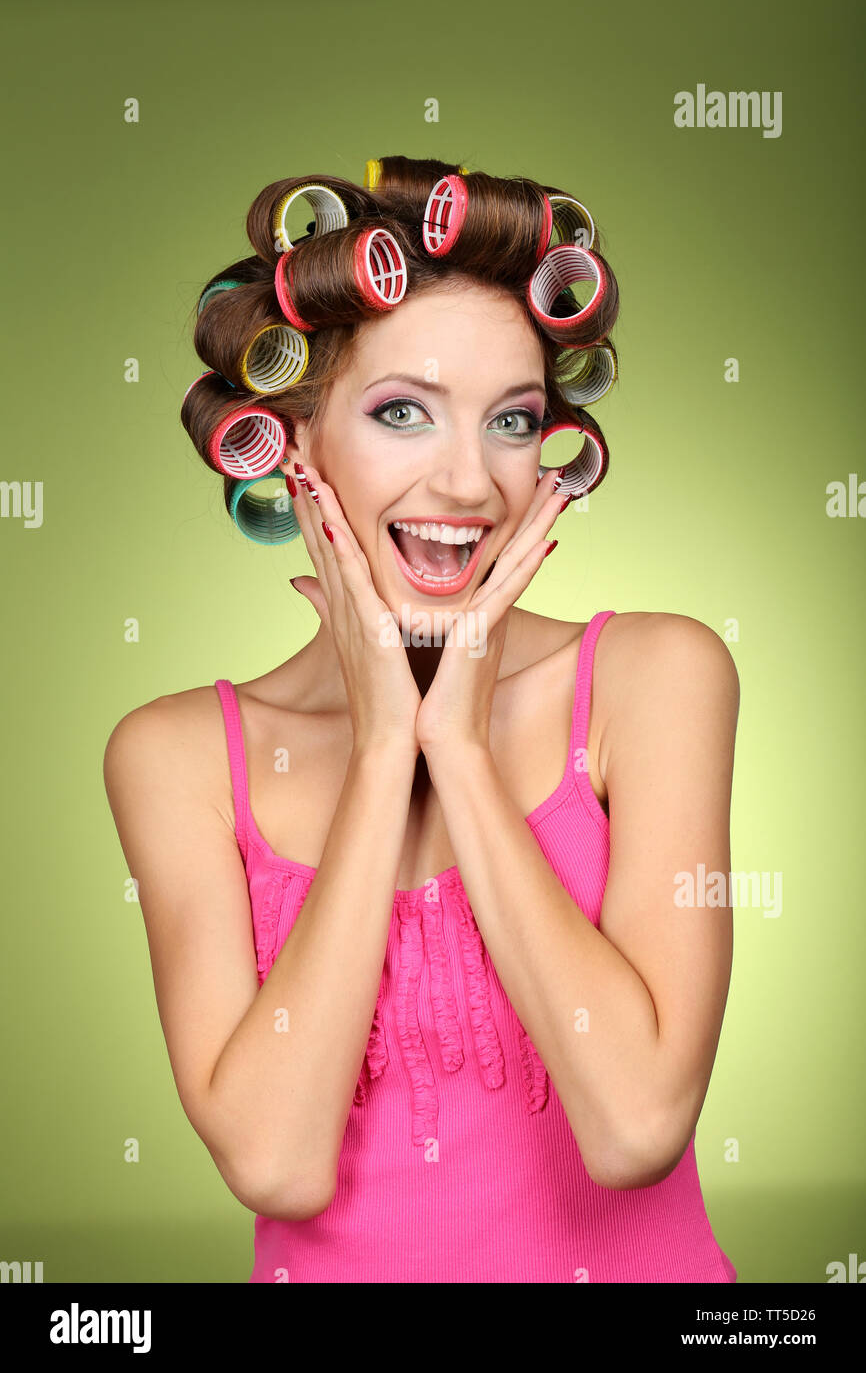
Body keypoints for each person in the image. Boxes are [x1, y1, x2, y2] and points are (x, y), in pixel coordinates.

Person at [103, 155, 739, 1283]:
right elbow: (275, 1162)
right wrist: (385, 740)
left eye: (510, 421)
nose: (468, 483)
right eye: (403, 412)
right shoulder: (178, 756)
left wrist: (455, 743)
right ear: (291, 441)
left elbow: (635, 1127)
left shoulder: (653, 678)